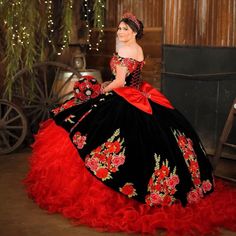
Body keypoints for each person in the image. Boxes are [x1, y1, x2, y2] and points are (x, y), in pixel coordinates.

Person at [24, 13, 236, 235]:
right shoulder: (136, 47)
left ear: (134, 32)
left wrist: (98, 90)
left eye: (125, 29)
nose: (120, 32)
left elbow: (118, 82)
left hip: (126, 96)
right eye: (119, 29)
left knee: (97, 136)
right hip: (137, 92)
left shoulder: (126, 50)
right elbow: (126, 79)